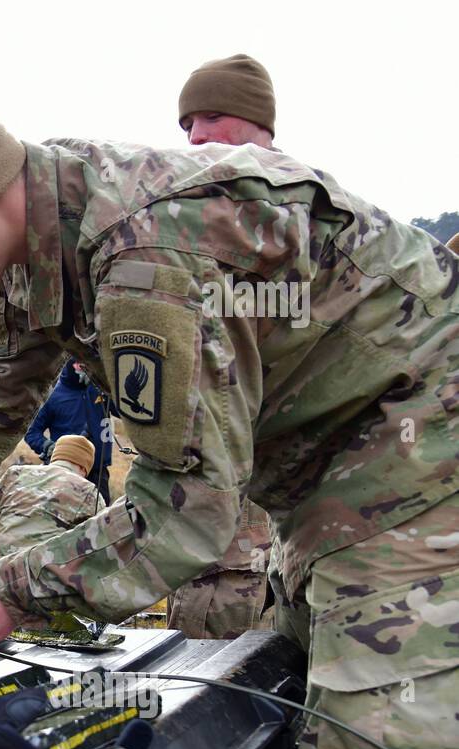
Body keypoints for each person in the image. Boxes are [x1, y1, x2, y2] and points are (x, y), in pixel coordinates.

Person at [0, 61, 459, 749]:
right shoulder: (38, 221)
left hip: (420, 477)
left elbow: (187, 513)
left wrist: (18, 588)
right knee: (288, 721)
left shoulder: (143, 261)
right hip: (328, 484)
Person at [170, 53, 281, 640]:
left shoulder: (305, 222)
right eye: (186, 124)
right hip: (200, 502)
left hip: (268, 509)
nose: (195, 135)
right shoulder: (181, 225)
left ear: (259, 123)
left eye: (211, 116)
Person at [0, 435, 102, 570]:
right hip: (44, 583)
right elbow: (101, 546)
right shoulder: (89, 492)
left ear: (56, 455)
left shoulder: (16, 474)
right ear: (85, 467)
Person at [25, 360, 113, 500]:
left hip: (97, 471)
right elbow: (32, 432)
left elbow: (125, 411)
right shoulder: (53, 395)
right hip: (64, 471)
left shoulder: (100, 389)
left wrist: (108, 384)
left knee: (102, 518)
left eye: (87, 363)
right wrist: (47, 446)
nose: (83, 367)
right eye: (79, 363)